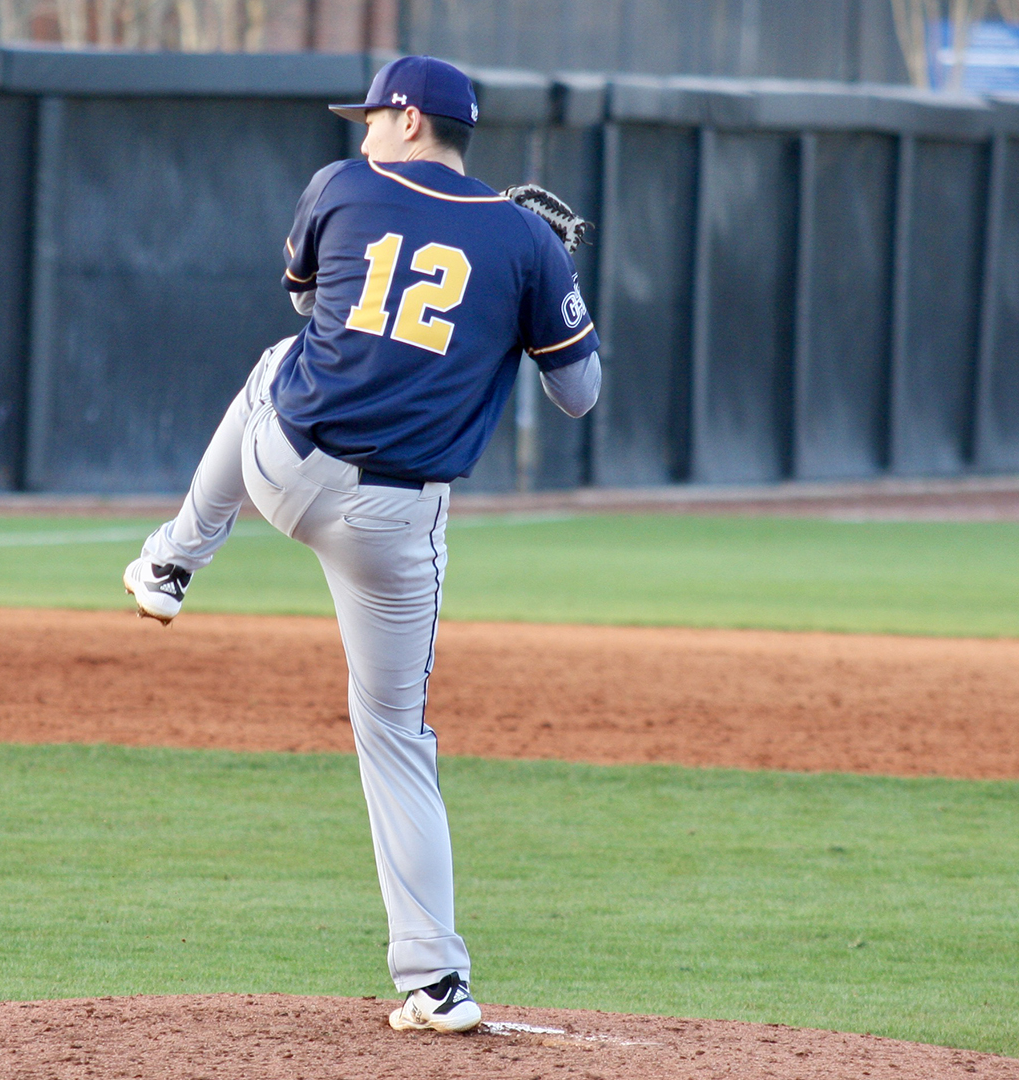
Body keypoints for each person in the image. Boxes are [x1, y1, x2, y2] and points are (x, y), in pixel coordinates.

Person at [123, 55, 601, 1035]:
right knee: (395, 736)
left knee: (277, 361)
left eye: (375, 116)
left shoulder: (341, 187)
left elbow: (315, 310)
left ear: (412, 119)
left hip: (286, 468)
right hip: (396, 527)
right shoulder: (522, 242)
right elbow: (579, 394)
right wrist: (544, 285)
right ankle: (437, 980)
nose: (365, 132)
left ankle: (172, 561)